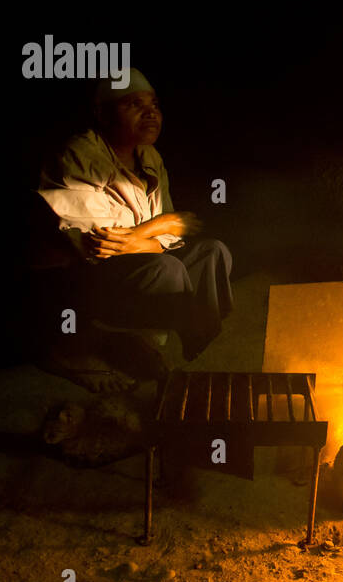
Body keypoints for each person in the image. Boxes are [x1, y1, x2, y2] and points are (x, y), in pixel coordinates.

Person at [37, 69, 233, 389]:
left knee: (212, 252)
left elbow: (168, 236)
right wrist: (162, 226)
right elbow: (98, 247)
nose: (151, 113)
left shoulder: (148, 156)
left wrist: (153, 233)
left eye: (154, 104)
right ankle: (110, 340)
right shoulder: (78, 156)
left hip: (137, 264)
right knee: (166, 270)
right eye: (134, 104)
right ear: (102, 114)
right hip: (85, 280)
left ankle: (190, 333)